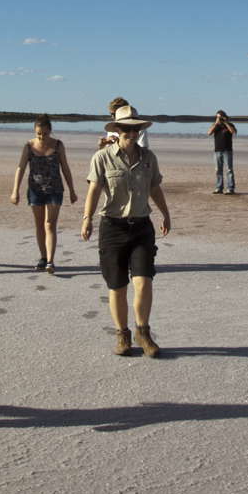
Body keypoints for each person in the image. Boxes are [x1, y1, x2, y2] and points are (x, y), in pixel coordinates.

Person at [81, 104, 171, 358]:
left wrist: (165, 214)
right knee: (118, 286)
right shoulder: (102, 157)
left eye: (136, 129)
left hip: (142, 227)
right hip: (112, 228)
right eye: (126, 129)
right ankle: (123, 335)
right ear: (117, 129)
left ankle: (143, 332)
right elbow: (94, 190)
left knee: (143, 281)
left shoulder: (149, 158)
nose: (132, 133)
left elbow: (155, 188)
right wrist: (87, 219)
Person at [10, 114, 78, 274]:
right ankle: (43, 257)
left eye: (45, 134)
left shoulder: (58, 145)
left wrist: (72, 190)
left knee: (50, 224)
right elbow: (21, 167)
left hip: (54, 190)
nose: (41, 137)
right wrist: (15, 191)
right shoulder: (29, 146)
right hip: (35, 190)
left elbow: (65, 167)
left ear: (50, 131)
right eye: (38, 134)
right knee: (40, 225)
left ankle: (50, 261)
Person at [207, 110, 237, 194]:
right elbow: (209, 133)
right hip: (217, 151)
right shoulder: (215, 126)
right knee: (218, 170)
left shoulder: (230, 125)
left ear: (225, 117)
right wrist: (216, 123)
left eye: (221, 117)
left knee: (229, 170)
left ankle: (230, 188)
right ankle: (219, 188)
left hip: (227, 151)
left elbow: (234, 132)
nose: (220, 119)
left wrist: (226, 123)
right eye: (218, 117)